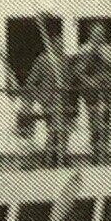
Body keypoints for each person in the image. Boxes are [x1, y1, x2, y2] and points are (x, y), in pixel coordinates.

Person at [23, 21, 73, 163]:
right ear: (51, 45)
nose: (60, 47)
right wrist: (36, 99)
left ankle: (59, 156)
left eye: (62, 44)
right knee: (54, 128)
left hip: (63, 100)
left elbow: (69, 79)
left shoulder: (65, 60)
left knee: (64, 129)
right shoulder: (43, 60)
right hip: (49, 100)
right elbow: (31, 81)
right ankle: (51, 157)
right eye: (57, 44)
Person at [73, 23, 111, 158]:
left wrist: (101, 53)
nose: (99, 36)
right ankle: (95, 152)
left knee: (106, 119)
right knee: (94, 120)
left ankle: (104, 151)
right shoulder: (84, 49)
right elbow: (78, 71)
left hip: (106, 90)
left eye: (101, 34)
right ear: (91, 34)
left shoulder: (107, 48)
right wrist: (90, 82)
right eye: (97, 33)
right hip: (91, 92)